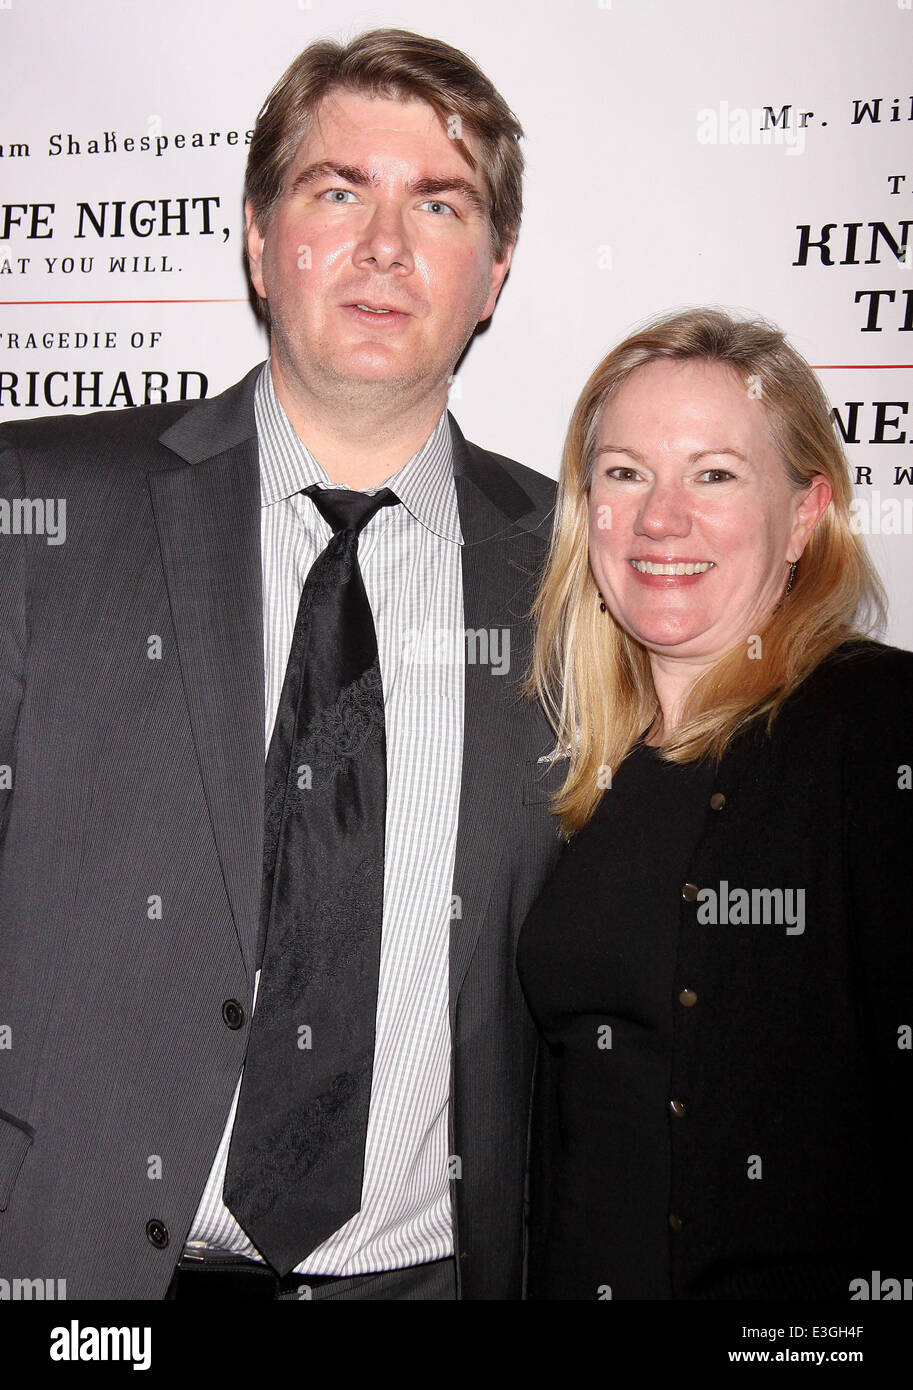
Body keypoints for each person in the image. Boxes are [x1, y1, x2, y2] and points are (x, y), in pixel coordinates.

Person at [0, 29, 565, 1301]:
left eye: (440, 202)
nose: (384, 245)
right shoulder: (38, 514)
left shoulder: (582, 576)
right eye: (336, 191)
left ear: (493, 271)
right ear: (258, 241)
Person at [517, 307, 913, 1300]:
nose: (661, 518)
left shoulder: (875, 731)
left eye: (715, 473)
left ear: (805, 514)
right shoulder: (586, 767)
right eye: (625, 473)